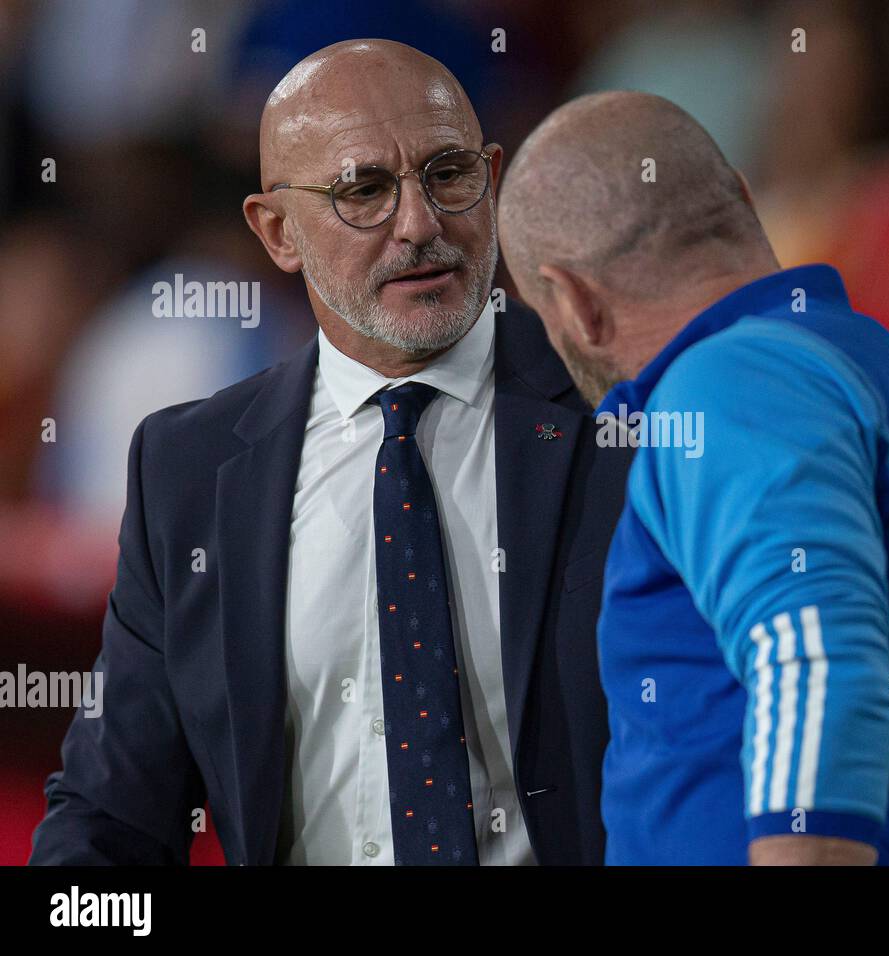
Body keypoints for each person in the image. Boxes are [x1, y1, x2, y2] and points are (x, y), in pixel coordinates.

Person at [30, 40, 629, 867]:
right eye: (364, 191)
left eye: (449, 174)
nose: (420, 225)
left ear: (493, 180)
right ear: (277, 230)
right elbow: (112, 812)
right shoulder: (188, 470)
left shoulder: (618, 412)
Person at [497, 91, 889, 865]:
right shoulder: (885, 381)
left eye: (540, 313)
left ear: (572, 303)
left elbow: (815, 663)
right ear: (740, 196)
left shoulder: (731, 384)